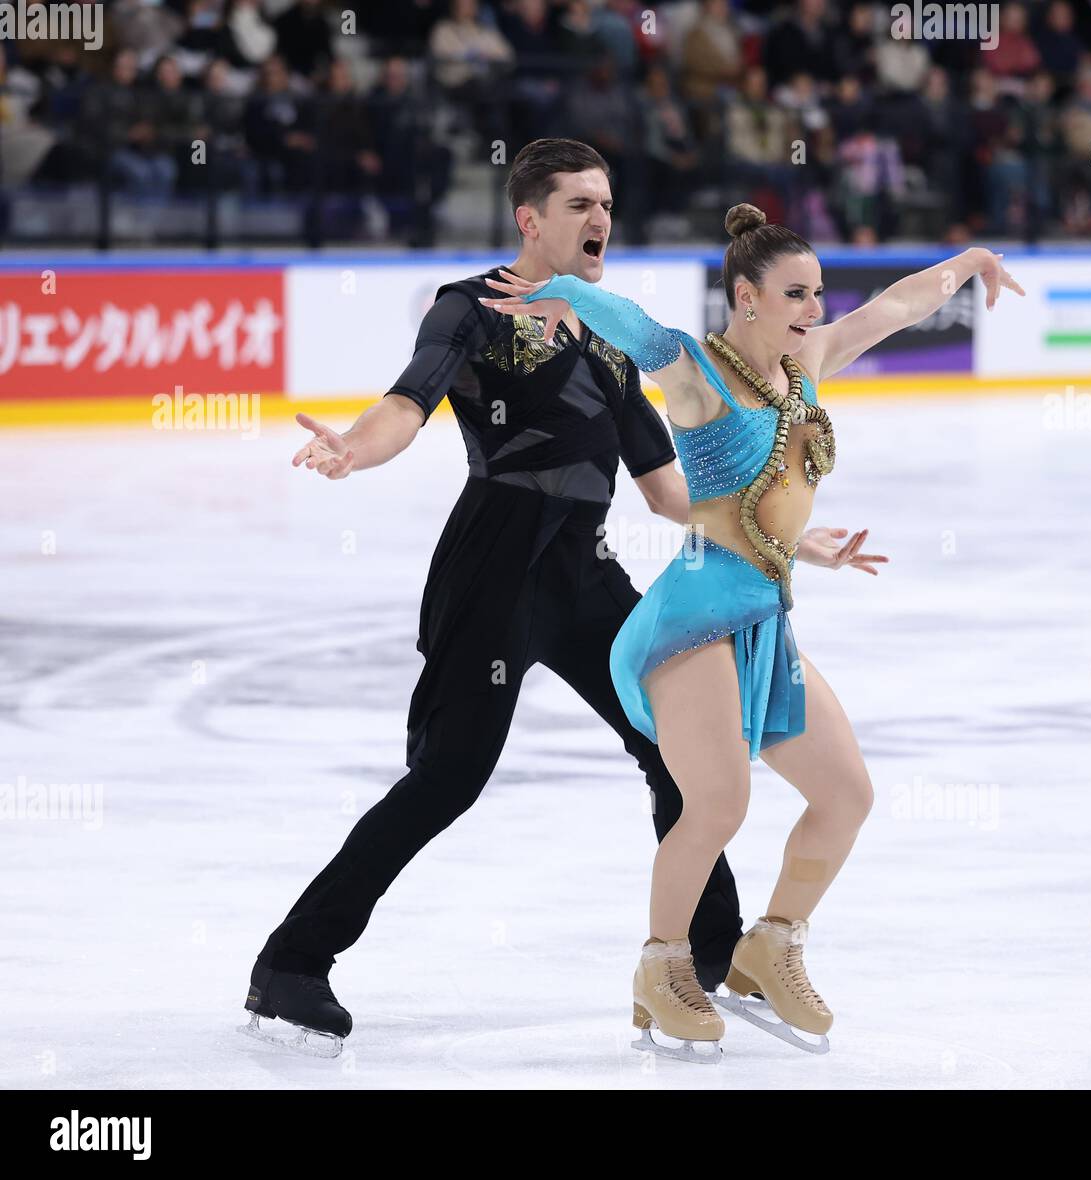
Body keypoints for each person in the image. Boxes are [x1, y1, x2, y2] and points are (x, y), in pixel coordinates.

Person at [241, 140, 863, 1057]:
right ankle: (290, 966)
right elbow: (408, 401)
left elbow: (662, 484)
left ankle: (713, 952)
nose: (598, 220)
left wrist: (778, 534)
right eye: (577, 204)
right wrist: (356, 447)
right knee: (450, 777)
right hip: (493, 565)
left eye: (605, 202)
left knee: (672, 751)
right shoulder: (472, 309)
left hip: (582, 569)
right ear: (529, 220)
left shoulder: (604, 338)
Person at [480, 204, 1023, 1060]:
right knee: (719, 804)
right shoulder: (702, 377)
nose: (813, 308)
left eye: (816, 292)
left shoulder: (806, 366)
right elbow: (644, 330)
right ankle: (661, 968)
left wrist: (972, 258)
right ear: (745, 297)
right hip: (695, 617)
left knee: (845, 796)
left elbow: (890, 309)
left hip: (767, 614)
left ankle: (770, 945)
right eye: (795, 294)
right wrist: (563, 293)